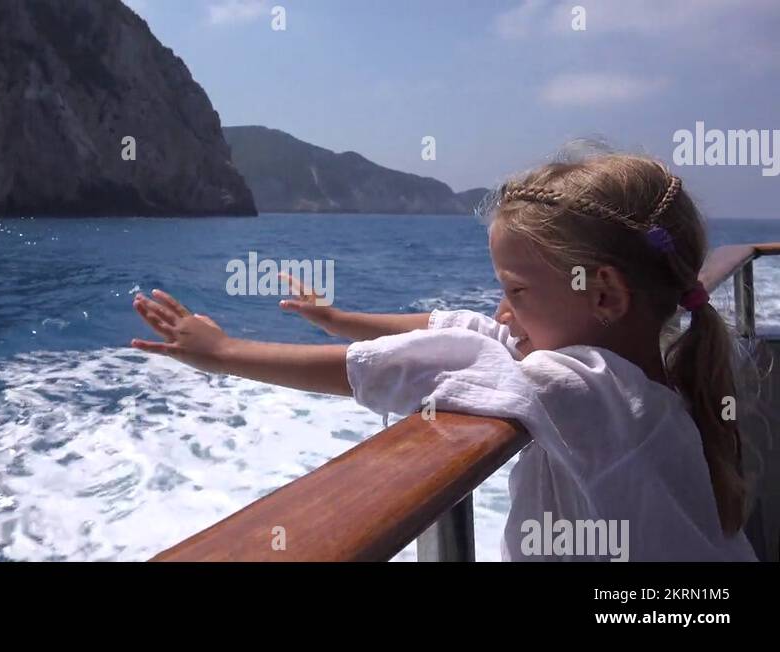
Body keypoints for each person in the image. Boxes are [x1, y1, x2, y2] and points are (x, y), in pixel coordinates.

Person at [132, 153, 760, 561]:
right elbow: (471, 330)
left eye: (515, 289)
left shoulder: (582, 388)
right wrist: (340, 319)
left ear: (603, 293)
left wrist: (226, 351)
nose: (502, 309)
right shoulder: (652, 368)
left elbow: (439, 358)